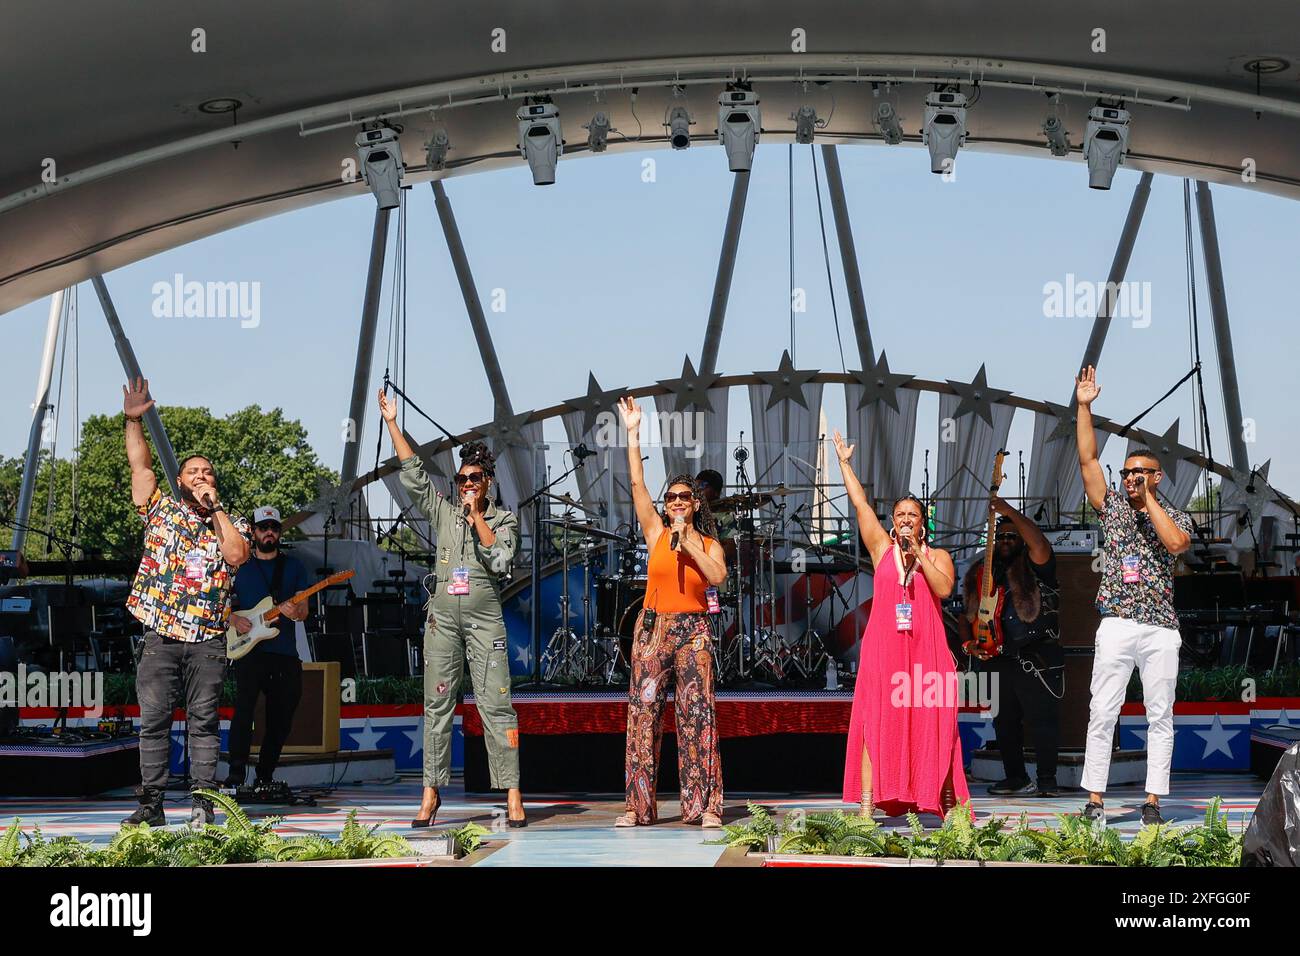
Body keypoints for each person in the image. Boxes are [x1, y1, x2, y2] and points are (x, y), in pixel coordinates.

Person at [378, 389, 527, 828]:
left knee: (497, 705)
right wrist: (392, 423)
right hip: (443, 621)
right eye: (462, 480)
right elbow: (414, 475)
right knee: (436, 705)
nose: (467, 485)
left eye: (475, 479)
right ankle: (430, 793)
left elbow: (501, 560)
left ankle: (513, 791)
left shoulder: (503, 520)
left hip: (484, 621)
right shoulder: (442, 513)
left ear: (488, 483)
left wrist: (477, 515)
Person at [120, 377, 250, 827]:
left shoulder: (230, 522)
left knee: (204, 722)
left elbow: (237, 556)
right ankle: (151, 804)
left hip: (208, 639)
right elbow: (141, 470)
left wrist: (215, 509)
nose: (201, 477)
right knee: (153, 721)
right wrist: (133, 420)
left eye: (208, 473)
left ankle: (203, 803)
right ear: (181, 481)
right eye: (193, 472)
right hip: (161, 636)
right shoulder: (161, 510)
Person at [1075, 366, 1193, 827]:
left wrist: (1150, 503)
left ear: (1157, 476)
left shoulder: (1170, 511)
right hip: (1119, 621)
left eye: (1139, 473)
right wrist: (1085, 407)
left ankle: (1152, 801)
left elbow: (1177, 544)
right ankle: (1095, 800)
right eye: (1126, 473)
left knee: (1159, 714)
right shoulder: (1114, 509)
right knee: (1102, 710)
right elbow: (1087, 461)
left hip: (1161, 626)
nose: (1130, 479)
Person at [831, 429, 970, 819]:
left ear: (923, 522)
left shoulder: (937, 554)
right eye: (901, 515)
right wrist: (844, 464)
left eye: (913, 515)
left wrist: (919, 557)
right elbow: (860, 506)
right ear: (892, 522)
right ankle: (865, 805)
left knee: (935, 723)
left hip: (927, 649)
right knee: (874, 722)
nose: (906, 520)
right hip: (885, 648)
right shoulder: (881, 550)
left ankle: (943, 803)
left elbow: (943, 589)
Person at [616, 396, 728, 827]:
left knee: (696, 712)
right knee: (643, 713)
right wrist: (632, 433)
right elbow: (637, 483)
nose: (677, 501)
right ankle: (637, 805)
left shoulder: (707, 543)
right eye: (672, 498)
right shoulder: (656, 532)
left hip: (693, 629)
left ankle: (704, 806)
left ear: (696, 503)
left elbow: (717, 577)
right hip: (653, 625)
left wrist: (691, 541)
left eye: (685, 496)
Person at [960, 499, 1064, 797]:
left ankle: (1047, 780)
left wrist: (1009, 513)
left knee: (1042, 719)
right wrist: (969, 643)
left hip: (1035, 656)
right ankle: (1016, 777)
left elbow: (1039, 542)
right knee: (1004, 723)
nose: (1006, 541)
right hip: (996, 657)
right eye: (1000, 536)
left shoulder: (1036, 565)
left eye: (1011, 536)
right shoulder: (982, 571)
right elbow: (966, 615)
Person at [224, 506, 310, 792]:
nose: (269, 532)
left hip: (285, 652)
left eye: (274, 527)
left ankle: (265, 775)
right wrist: (233, 619)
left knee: (282, 715)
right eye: (264, 527)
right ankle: (235, 775)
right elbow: (217, 604)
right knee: (243, 712)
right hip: (248, 652)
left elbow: (304, 612)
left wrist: (293, 611)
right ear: (254, 531)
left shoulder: (294, 567)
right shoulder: (238, 566)